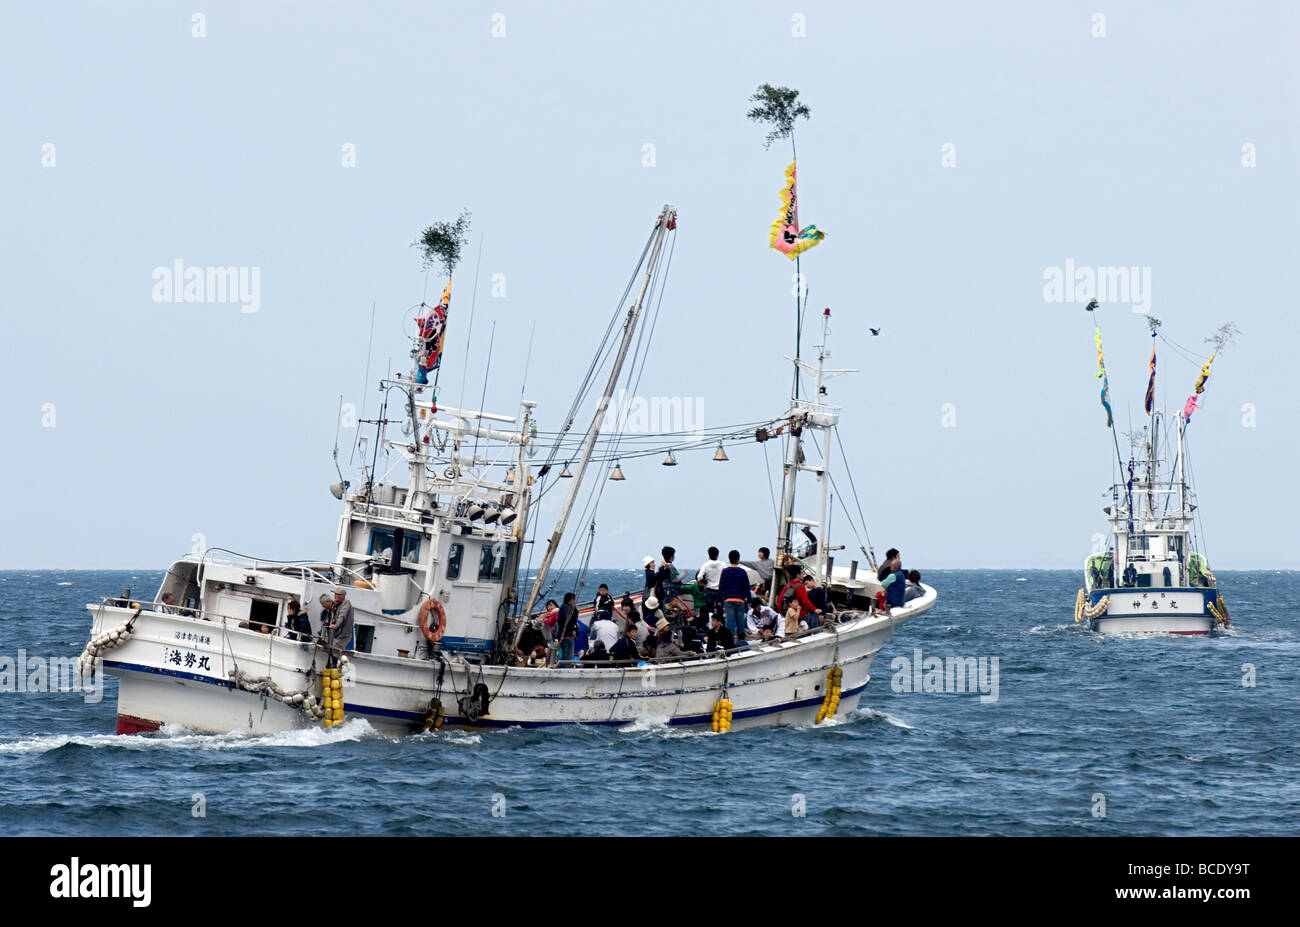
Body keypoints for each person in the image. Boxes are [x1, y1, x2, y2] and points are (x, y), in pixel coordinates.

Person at [718, 549, 753, 642]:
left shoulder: (725, 571)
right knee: (740, 621)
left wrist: (718, 600)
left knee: (730, 622)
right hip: (740, 600)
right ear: (738, 560)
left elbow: (721, 587)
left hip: (728, 600)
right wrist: (749, 600)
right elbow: (747, 587)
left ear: (729, 559)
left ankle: (730, 641)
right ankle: (742, 641)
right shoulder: (742, 572)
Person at [779, 565, 824, 631]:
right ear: (798, 575)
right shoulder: (800, 586)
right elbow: (805, 600)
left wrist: (781, 612)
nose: (803, 574)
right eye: (802, 573)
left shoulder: (787, 586)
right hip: (800, 616)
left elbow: (780, 600)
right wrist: (815, 609)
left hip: (788, 615)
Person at [325, 586, 355, 659]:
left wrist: (335, 626)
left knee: (335, 651)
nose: (335, 596)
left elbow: (342, 616)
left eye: (337, 594)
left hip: (343, 635)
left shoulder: (346, 603)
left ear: (343, 596)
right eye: (335, 594)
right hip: (337, 634)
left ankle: (334, 666)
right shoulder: (337, 604)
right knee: (330, 647)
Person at [696, 547, 725, 621]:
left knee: (710, 610)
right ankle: (720, 624)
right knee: (720, 609)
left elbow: (699, 577)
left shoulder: (705, 565)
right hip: (719, 590)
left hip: (709, 589)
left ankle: (710, 624)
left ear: (709, 555)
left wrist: (703, 585)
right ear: (717, 555)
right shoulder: (722, 564)